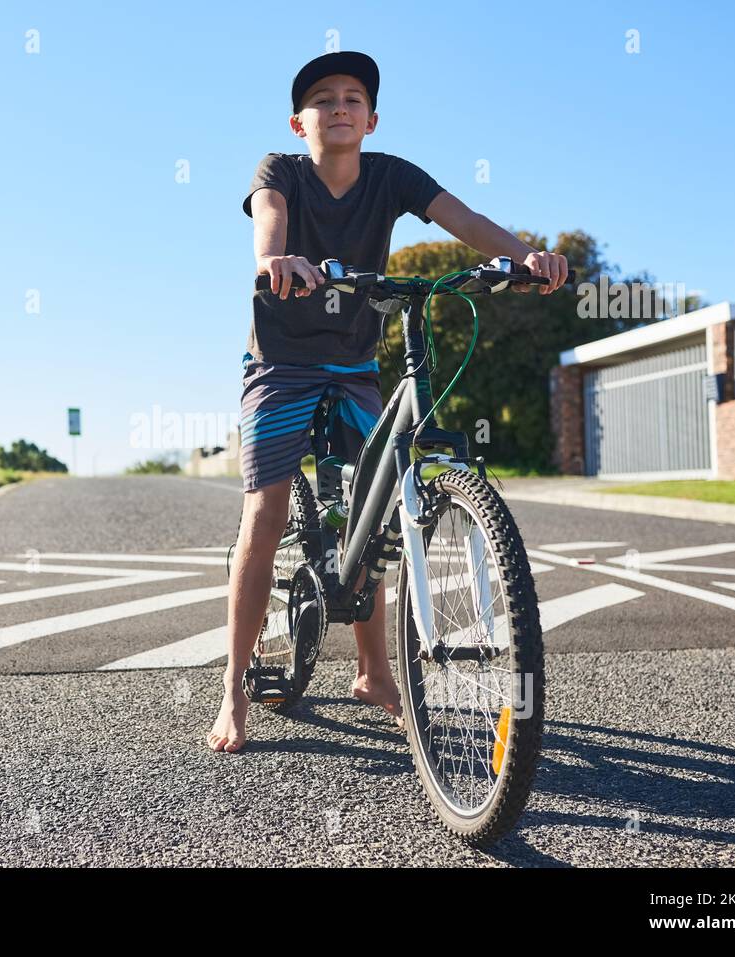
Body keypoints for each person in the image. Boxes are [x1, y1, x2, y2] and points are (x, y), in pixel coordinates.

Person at [208, 51, 568, 753]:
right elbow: (268, 221)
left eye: (353, 98)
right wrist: (274, 261)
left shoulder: (391, 175)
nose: (339, 106)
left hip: (353, 361)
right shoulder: (279, 171)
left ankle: (375, 672)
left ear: (371, 120)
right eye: (323, 99)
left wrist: (526, 257)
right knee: (267, 506)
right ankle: (231, 691)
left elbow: (462, 217)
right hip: (281, 360)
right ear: (298, 121)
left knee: (372, 514)